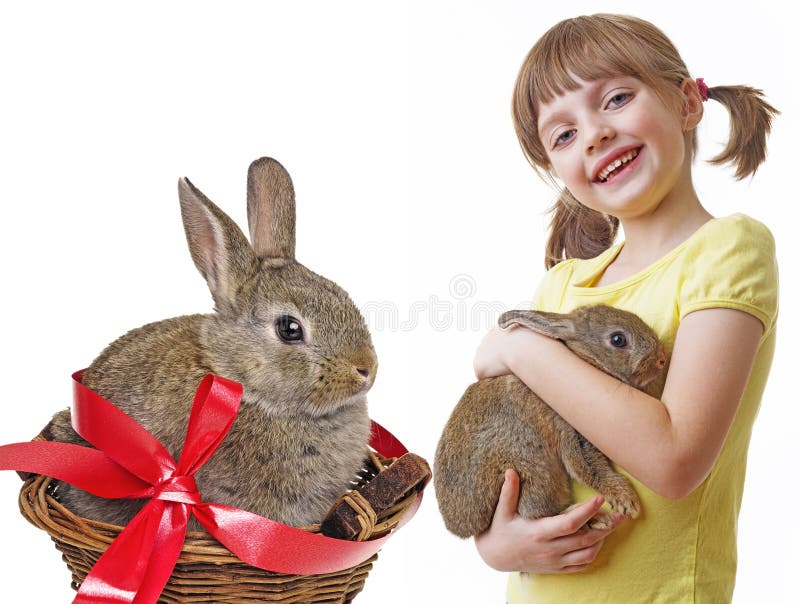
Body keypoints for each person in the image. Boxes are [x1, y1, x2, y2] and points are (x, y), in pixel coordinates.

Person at [471, 14, 779, 603]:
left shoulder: (727, 249)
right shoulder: (561, 289)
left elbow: (675, 460)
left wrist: (518, 345)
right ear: (558, 172)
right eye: (563, 135)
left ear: (688, 102)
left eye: (615, 98)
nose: (593, 135)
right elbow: (516, 449)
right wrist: (498, 545)